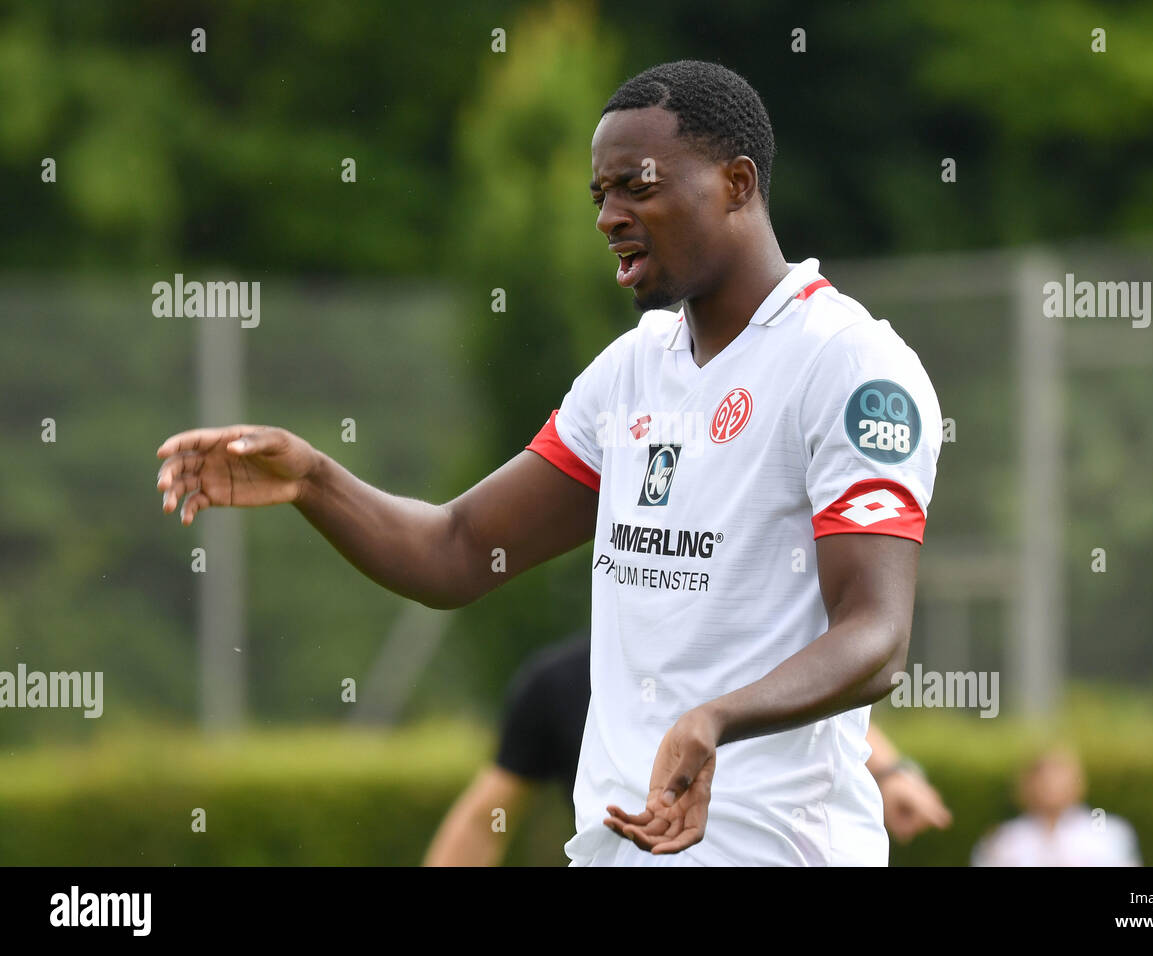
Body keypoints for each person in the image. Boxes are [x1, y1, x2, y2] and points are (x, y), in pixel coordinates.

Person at [155, 60, 943, 865]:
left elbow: (875, 636)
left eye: (636, 186)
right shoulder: (632, 370)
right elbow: (457, 550)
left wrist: (716, 718)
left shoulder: (849, 366)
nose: (609, 216)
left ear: (736, 183)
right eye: (599, 195)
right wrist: (314, 480)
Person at [422, 634, 951, 865]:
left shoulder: (731, 653)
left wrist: (892, 772)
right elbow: (485, 816)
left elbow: (820, 713)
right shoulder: (557, 682)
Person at [971, 746, 1140, 866]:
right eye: (1044, 780)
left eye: (1059, 778)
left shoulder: (1110, 832)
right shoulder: (1005, 838)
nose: (1052, 786)